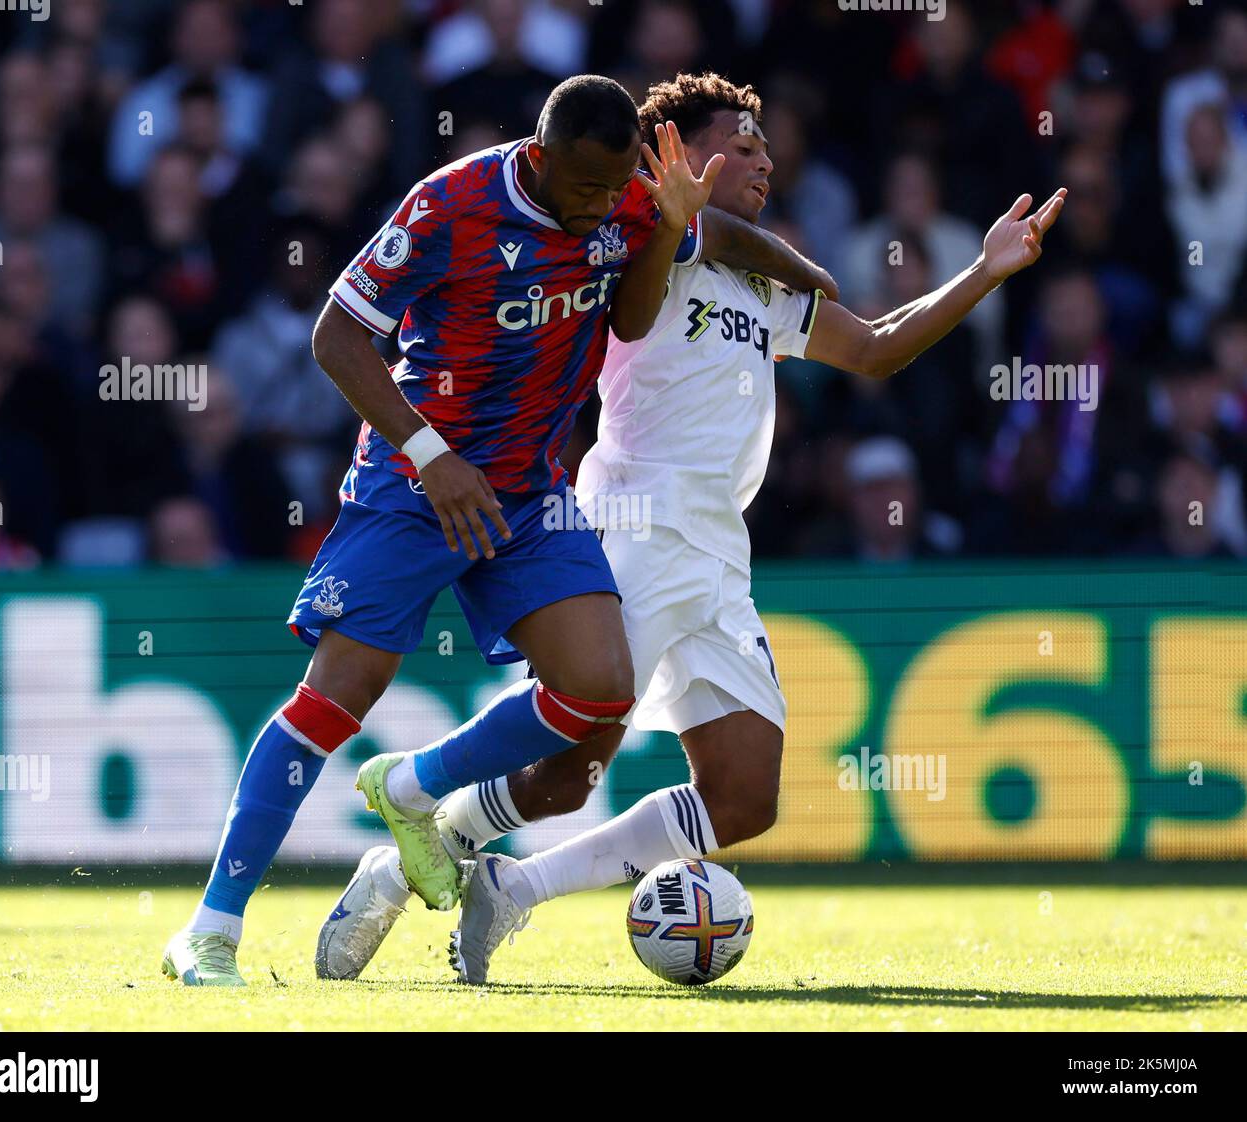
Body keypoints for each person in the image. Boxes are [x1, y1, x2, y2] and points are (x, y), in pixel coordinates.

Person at [315, 71, 1066, 986]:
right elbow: (632, 315)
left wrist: (985, 271)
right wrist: (675, 222)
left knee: (744, 798)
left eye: (765, 146)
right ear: (671, 156)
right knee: (565, 767)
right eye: (740, 145)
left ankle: (510, 888)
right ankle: (397, 858)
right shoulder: (638, 247)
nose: (763, 159)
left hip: (718, 542)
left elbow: (874, 347)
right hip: (637, 515)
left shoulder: (755, 281)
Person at [162, 73, 836, 986]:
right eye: (588, 189)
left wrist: (789, 264)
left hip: (527, 493)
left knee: (600, 689)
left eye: (615, 192)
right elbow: (338, 336)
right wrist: (433, 455)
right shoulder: (453, 202)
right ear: (543, 156)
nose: (602, 209)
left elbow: (647, 298)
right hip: (416, 480)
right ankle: (211, 930)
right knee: (332, 699)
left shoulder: (630, 204)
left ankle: (410, 788)